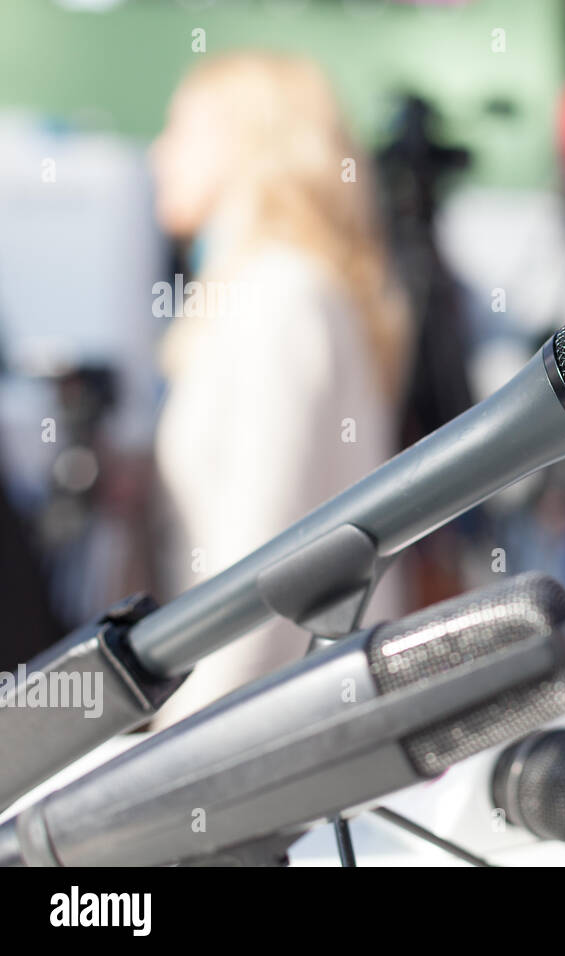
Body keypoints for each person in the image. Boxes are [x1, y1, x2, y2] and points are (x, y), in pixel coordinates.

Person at [148, 52, 411, 726]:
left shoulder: (279, 295)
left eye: (181, 129)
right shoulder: (275, 287)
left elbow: (262, 570)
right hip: (286, 720)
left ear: (247, 145)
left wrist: (175, 755)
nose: (159, 153)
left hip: (274, 732)